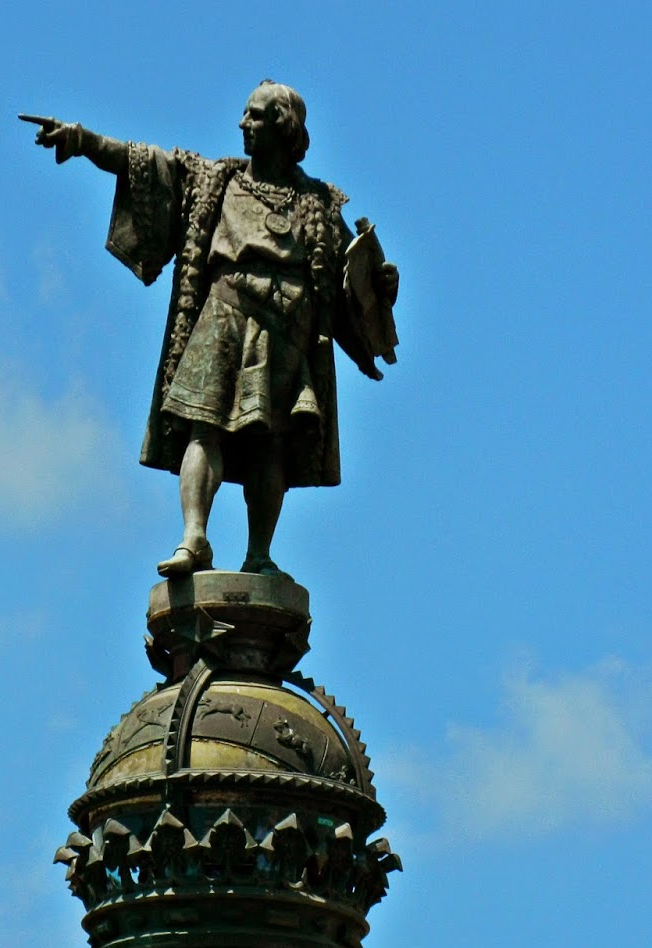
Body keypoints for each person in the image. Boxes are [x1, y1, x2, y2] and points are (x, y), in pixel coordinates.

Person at [27, 82, 399, 578]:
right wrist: (82, 140)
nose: (243, 123)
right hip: (225, 316)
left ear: (284, 126)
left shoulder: (318, 204)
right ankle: (194, 537)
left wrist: (384, 283)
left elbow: (352, 281)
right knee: (203, 429)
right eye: (245, 114)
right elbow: (145, 163)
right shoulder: (216, 181)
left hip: (288, 332)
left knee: (269, 445)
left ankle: (259, 555)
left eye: (255, 116)